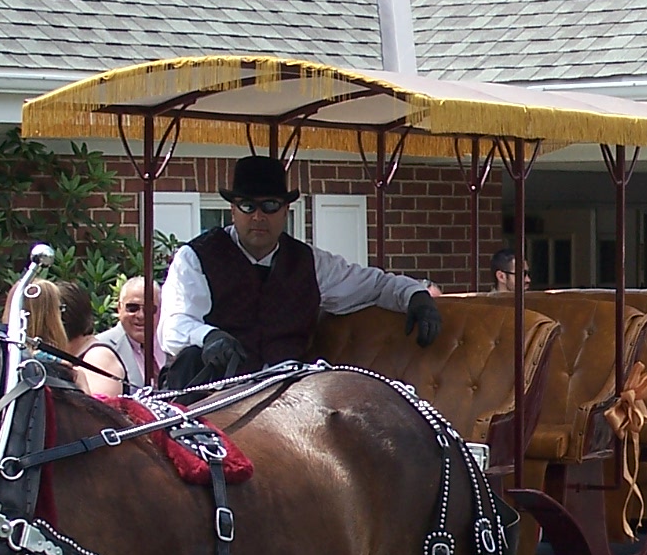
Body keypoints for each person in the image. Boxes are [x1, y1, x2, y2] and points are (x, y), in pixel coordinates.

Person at [157, 155, 441, 390]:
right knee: (191, 360)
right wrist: (208, 336)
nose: (258, 217)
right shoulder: (196, 257)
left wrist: (414, 295)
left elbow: (376, 285)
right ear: (233, 211)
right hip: (213, 391)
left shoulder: (310, 262)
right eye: (247, 206)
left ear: (285, 211)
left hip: (285, 394)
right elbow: (174, 325)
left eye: (269, 206)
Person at [78, 275, 153, 398]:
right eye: (132, 308)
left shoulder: (171, 345)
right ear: (119, 308)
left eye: (149, 309)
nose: (141, 315)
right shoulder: (100, 350)